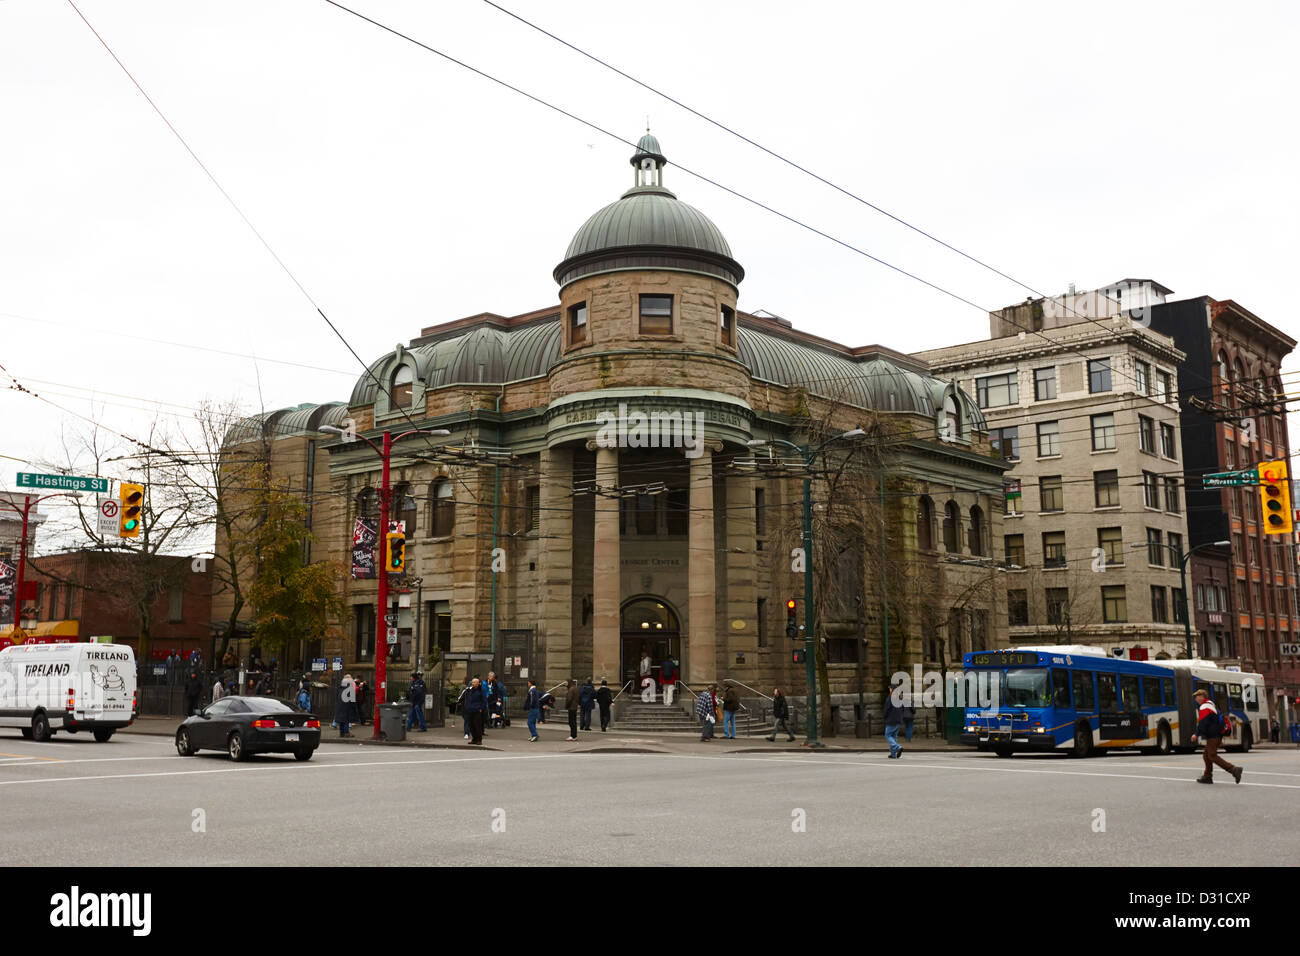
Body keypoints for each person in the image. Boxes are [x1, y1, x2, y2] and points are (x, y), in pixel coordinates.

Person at [1191, 688, 1242, 784]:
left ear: (1202, 697)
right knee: (1206, 755)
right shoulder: (1211, 704)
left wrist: (1196, 734)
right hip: (1216, 735)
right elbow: (1219, 722)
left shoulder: (1204, 707)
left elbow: (1203, 723)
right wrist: (1220, 738)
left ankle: (1234, 770)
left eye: (1197, 697)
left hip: (1213, 735)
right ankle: (1207, 776)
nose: (1196, 699)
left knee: (1212, 756)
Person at [884, 681, 906, 758]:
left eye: (890, 688)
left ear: (892, 689)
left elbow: (886, 709)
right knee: (894, 736)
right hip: (898, 719)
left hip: (891, 719)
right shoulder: (900, 697)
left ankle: (897, 747)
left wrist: (885, 716)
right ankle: (893, 754)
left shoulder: (890, 697)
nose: (889, 689)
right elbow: (903, 708)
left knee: (888, 735)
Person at [463, 677, 487, 745]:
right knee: (471, 725)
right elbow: (467, 698)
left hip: (477, 710)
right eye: (472, 682)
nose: (473, 683)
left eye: (474, 682)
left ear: (478, 683)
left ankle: (479, 739)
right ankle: (474, 738)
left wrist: (481, 708)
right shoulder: (470, 690)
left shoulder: (481, 690)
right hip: (470, 709)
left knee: (477, 725)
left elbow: (484, 701)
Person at [338, 673, 357, 738]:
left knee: (341, 719)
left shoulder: (341, 687)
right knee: (346, 719)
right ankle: (346, 732)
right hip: (347, 705)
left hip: (340, 705)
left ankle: (341, 733)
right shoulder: (350, 687)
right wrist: (354, 706)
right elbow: (352, 700)